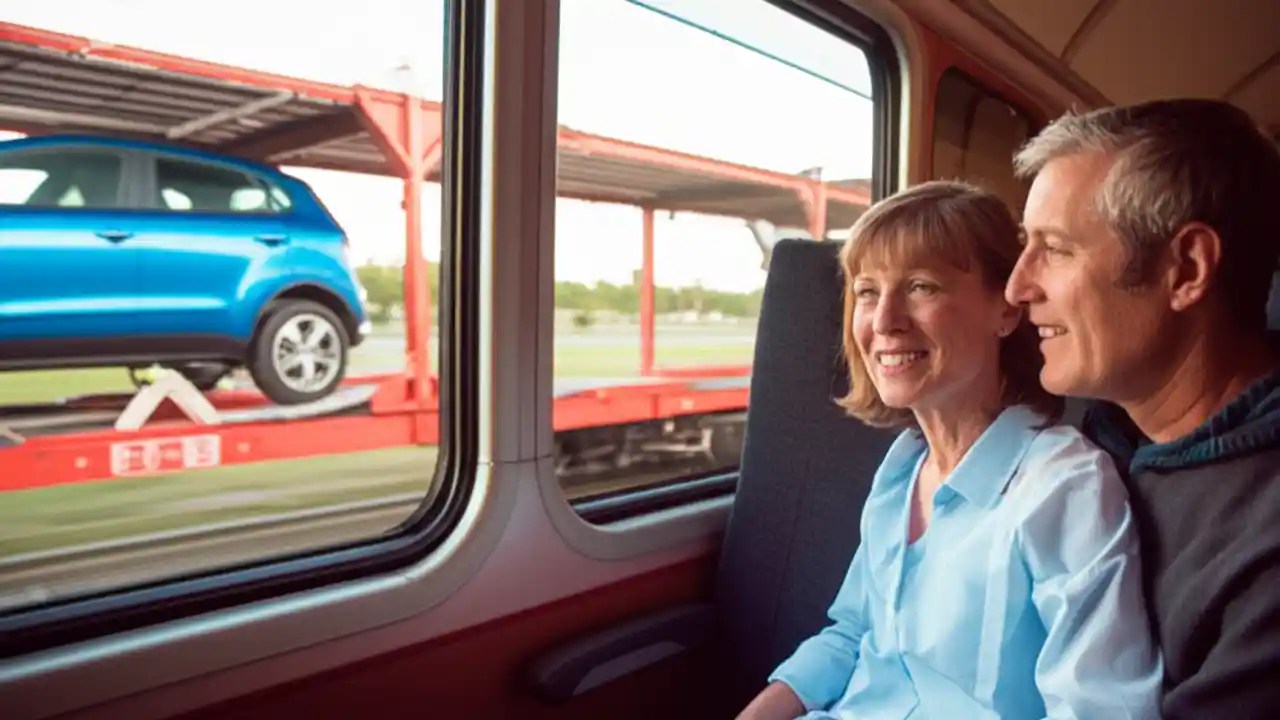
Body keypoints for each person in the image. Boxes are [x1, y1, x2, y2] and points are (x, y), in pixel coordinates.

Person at [737, 180, 1162, 720]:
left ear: (1005, 311)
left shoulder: (1063, 486)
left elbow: (1100, 710)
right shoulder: (900, 470)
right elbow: (851, 634)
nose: (885, 320)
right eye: (867, 291)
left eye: (921, 287)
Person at [1006, 98, 1280, 718]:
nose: (1018, 288)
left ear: (1185, 269)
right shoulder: (1088, 434)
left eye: (1056, 248)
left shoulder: (1264, 552)